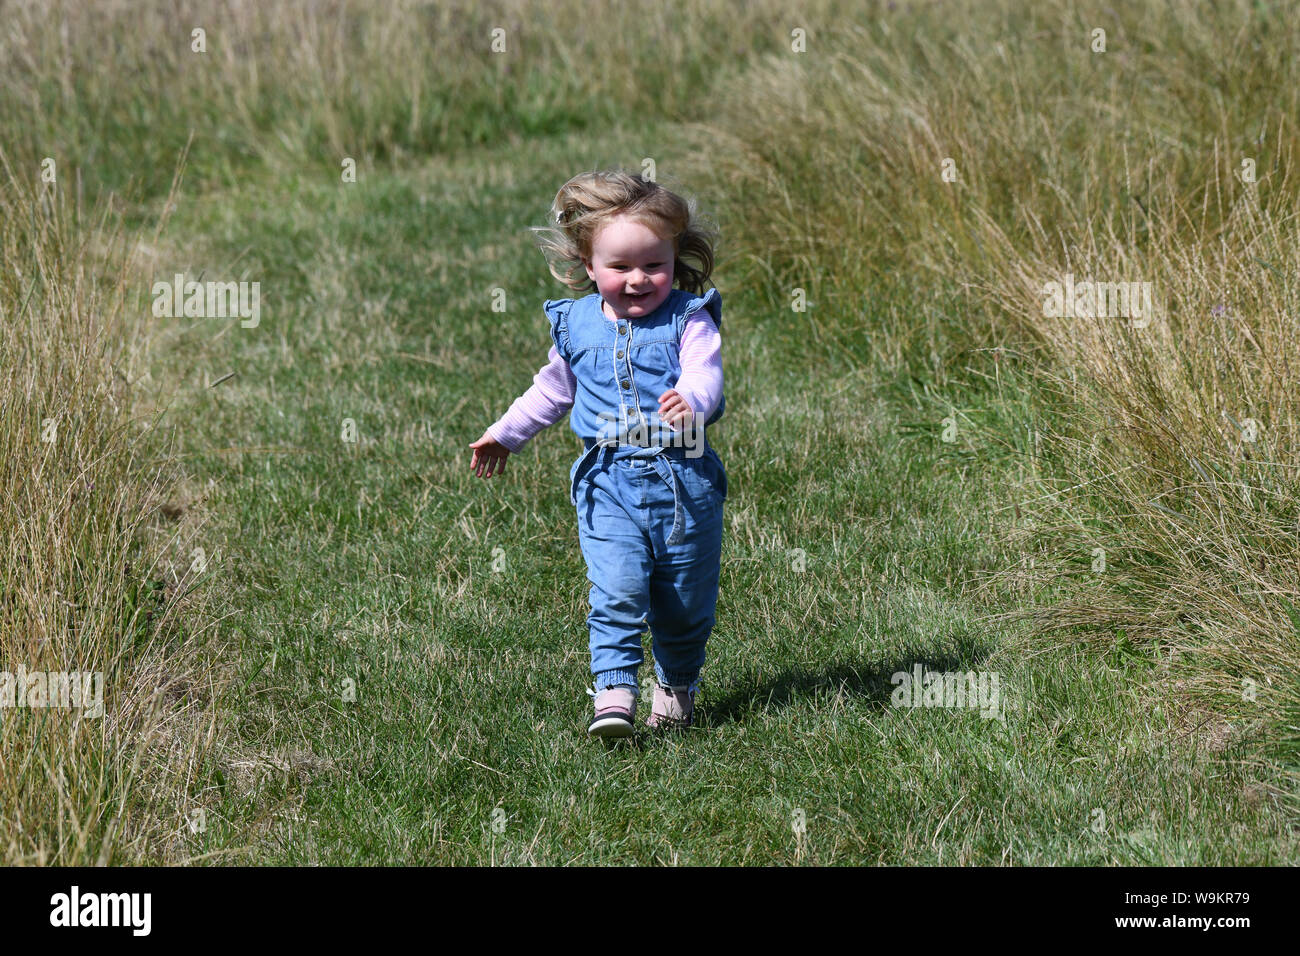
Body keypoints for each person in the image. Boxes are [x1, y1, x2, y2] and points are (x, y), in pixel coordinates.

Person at [468, 169, 728, 738]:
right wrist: (505, 434)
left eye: (653, 265)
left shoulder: (689, 318)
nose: (638, 279)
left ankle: (676, 689)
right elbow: (551, 391)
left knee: (684, 600)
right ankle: (613, 691)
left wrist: (691, 400)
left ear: (673, 257)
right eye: (620, 267)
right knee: (618, 586)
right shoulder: (578, 324)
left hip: (685, 484)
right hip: (607, 482)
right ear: (588, 266)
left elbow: (705, 373)